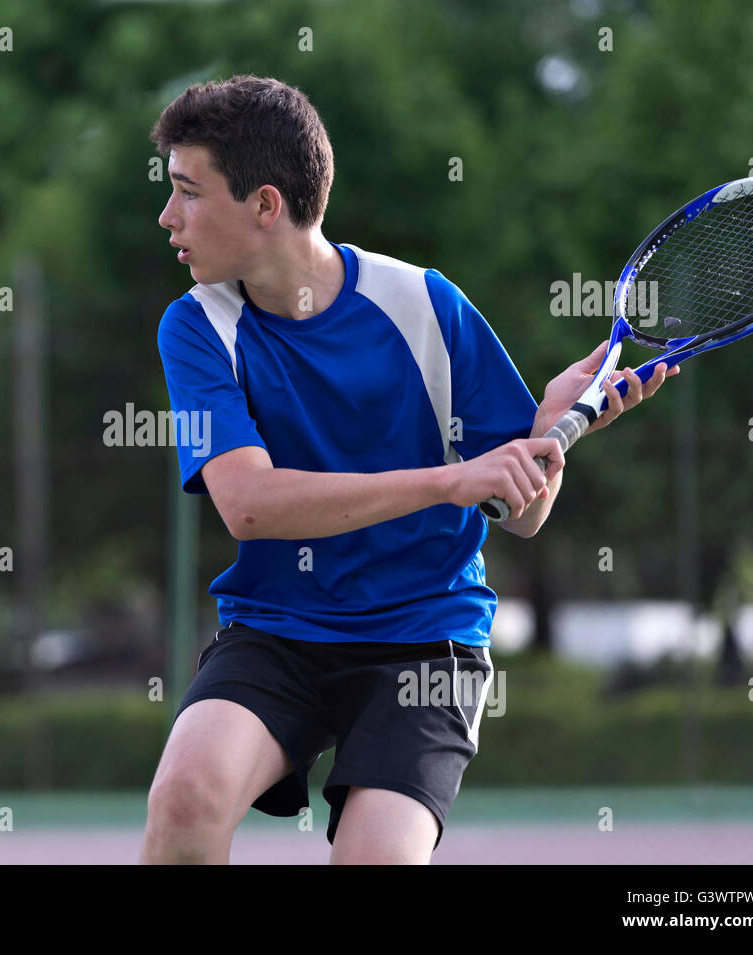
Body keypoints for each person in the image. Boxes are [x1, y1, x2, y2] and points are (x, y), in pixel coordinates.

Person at [141, 74, 676, 865]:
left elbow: (522, 511)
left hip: (425, 643)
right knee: (185, 799)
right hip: (278, 630)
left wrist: (545, 435)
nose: (168, 217)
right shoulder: (196, 326)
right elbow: (249, 505)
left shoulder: (427, 304)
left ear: (264, 205)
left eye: (188, 192)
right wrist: (450, 480)